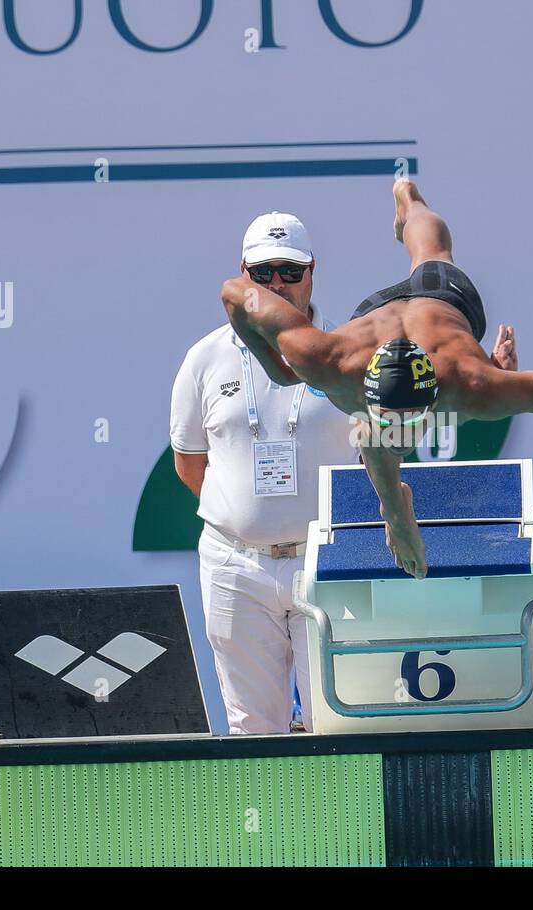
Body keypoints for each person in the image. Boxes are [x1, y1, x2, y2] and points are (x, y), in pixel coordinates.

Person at [221, 181, 533, 580]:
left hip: (441, 302)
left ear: (435, 400)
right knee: (370, 438)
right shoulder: (324, 360)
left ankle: (408, 198)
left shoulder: (473, 385)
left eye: (411, 422)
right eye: (390, 419)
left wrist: (511, 385)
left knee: (432, 249)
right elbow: (236, 292)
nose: (400, 436)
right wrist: (277, 367)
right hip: (373, 319)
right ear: (368, 396)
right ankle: (407, 197)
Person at [171, 212, 358, 734]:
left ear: (312, 273)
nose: (276, 284)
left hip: (326, 563)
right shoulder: (204, 359)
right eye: (263, 272)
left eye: (290, 271)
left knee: (339, 722)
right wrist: (249, 522)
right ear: (242, 274)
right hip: (236, 565)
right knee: (253, 727)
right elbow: (191, 462)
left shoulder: (345, 353)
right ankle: (266, 821)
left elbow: (380, 454)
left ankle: (343, 820)